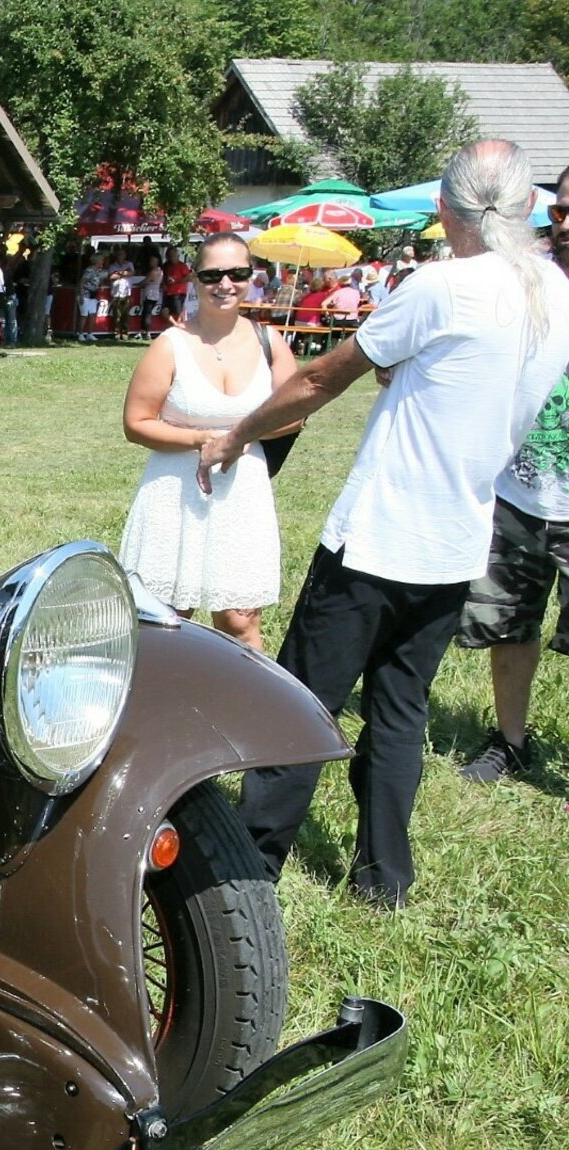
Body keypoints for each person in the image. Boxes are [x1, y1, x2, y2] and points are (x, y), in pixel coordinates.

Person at [198, 140, 569, 907]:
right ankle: (384, 877)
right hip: (458, 541)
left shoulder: (440, 284)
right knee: (401, 710)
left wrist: (236, 435)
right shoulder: (553, 292)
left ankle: (251, 863)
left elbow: (320, 379)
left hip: (377, 537)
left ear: (448, 209)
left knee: (301, 702)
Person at [119, 233, 295, 652]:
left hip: (241, 497)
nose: (225, 284)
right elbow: (136, 423)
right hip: (174, 495)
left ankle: (244, 694)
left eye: (237, 273)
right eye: (213, 275)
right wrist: (200, 438)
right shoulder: (170, 346)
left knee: (240, 622)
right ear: (194, 280)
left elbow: (294, 416)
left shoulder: (270, 343)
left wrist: (238, 438)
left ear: (252, 277)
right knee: (164, 621)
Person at [455, 167, 569, 782]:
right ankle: (512, 740)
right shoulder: (525, 281)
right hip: (516, 492)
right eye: (561, 210)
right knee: (508, 622)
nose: (566, 224)